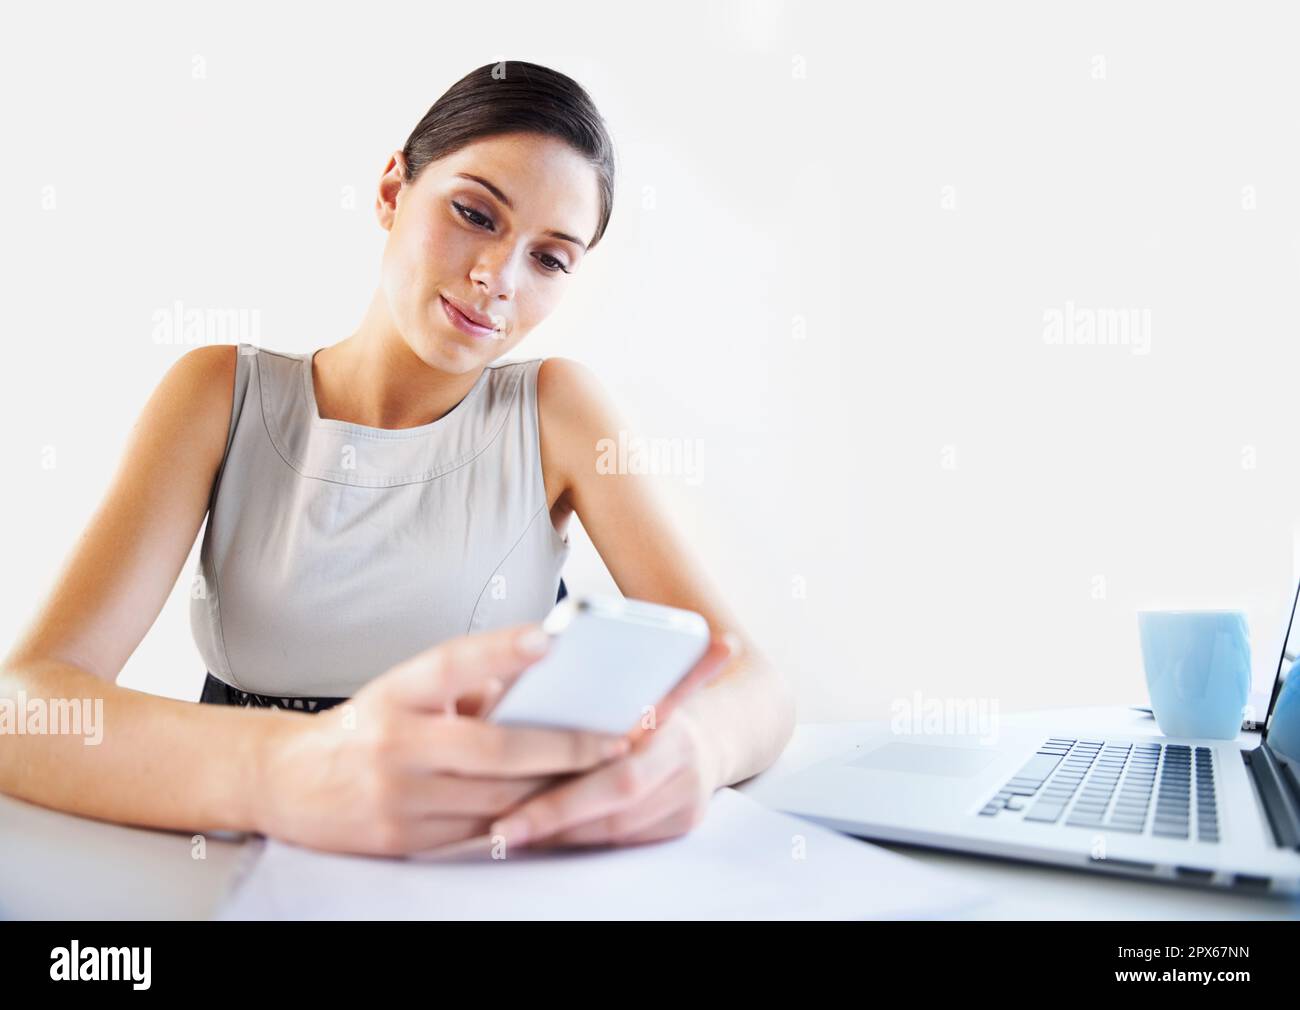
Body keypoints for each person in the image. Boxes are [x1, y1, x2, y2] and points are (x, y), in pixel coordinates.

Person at [0, 61, 796, 857]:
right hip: (243, 851)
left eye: (550, 259)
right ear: (391, 191)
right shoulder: (221, 395)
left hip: (476, 867)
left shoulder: (557, 411)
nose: (497, 278)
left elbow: (751, 683)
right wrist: (294, 773)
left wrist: (698, 748)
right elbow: (23, 707)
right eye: (476, 214)